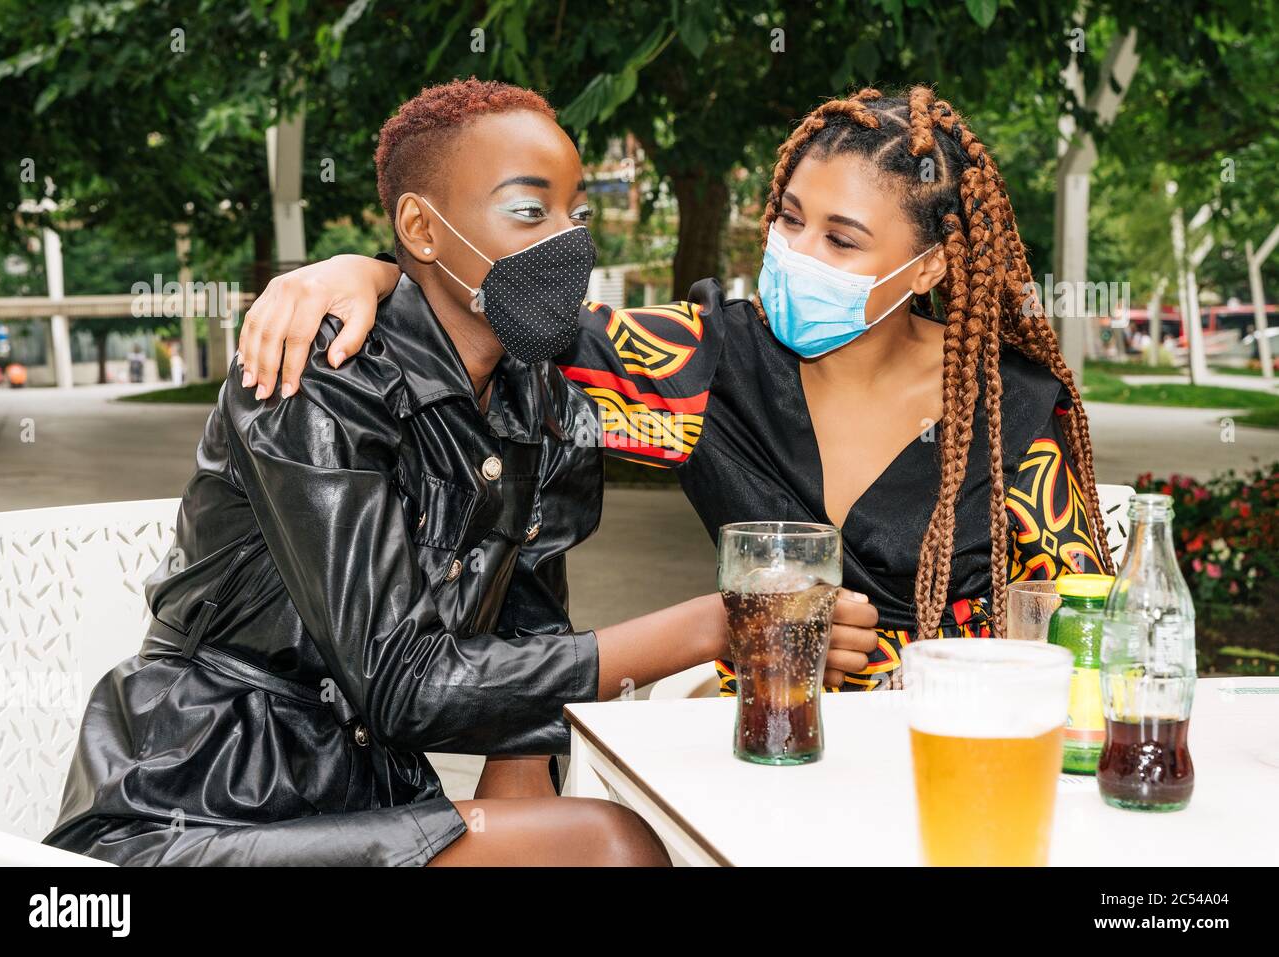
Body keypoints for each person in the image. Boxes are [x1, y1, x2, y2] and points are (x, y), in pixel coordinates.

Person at [44, 78, 742, 867]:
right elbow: (402, 684)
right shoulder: (317, 372)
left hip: (369, 804)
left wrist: (528, 793)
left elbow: (530, 657)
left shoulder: (541, 398)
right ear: (421, 227)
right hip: (194, 804)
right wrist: (711, 627)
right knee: (607, 843)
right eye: (528, 210)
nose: (567, 241)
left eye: (575, 213)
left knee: (588, 836)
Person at [241, 86, 1109, 694]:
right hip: (761, 724)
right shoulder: (705, 363)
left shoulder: (1011, 413)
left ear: (929, 268)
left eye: (841, 240)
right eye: (789, 219)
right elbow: (506, 313)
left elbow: (1084, 631)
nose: (797, 254)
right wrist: (376, 271)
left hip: (955, 742)